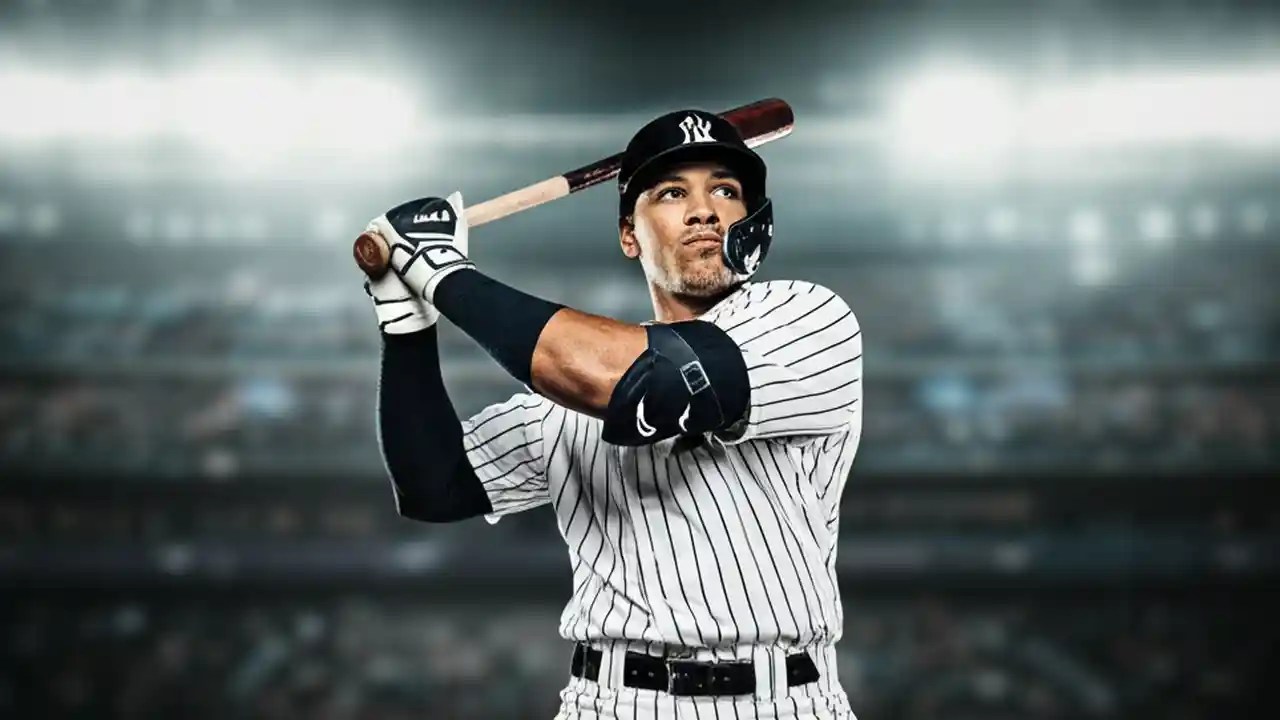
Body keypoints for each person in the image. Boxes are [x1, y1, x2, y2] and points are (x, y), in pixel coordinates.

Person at [363, 109, 862, 718]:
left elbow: (651, 380)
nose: (703, 210)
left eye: (724, 191)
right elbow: (434, 486)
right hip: (608, 701)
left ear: (754, 221)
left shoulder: (808, 318)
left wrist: (439, 272)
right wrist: (406, 320)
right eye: (672, 192)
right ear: (630, 235)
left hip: (781, 700)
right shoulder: (568, 386)